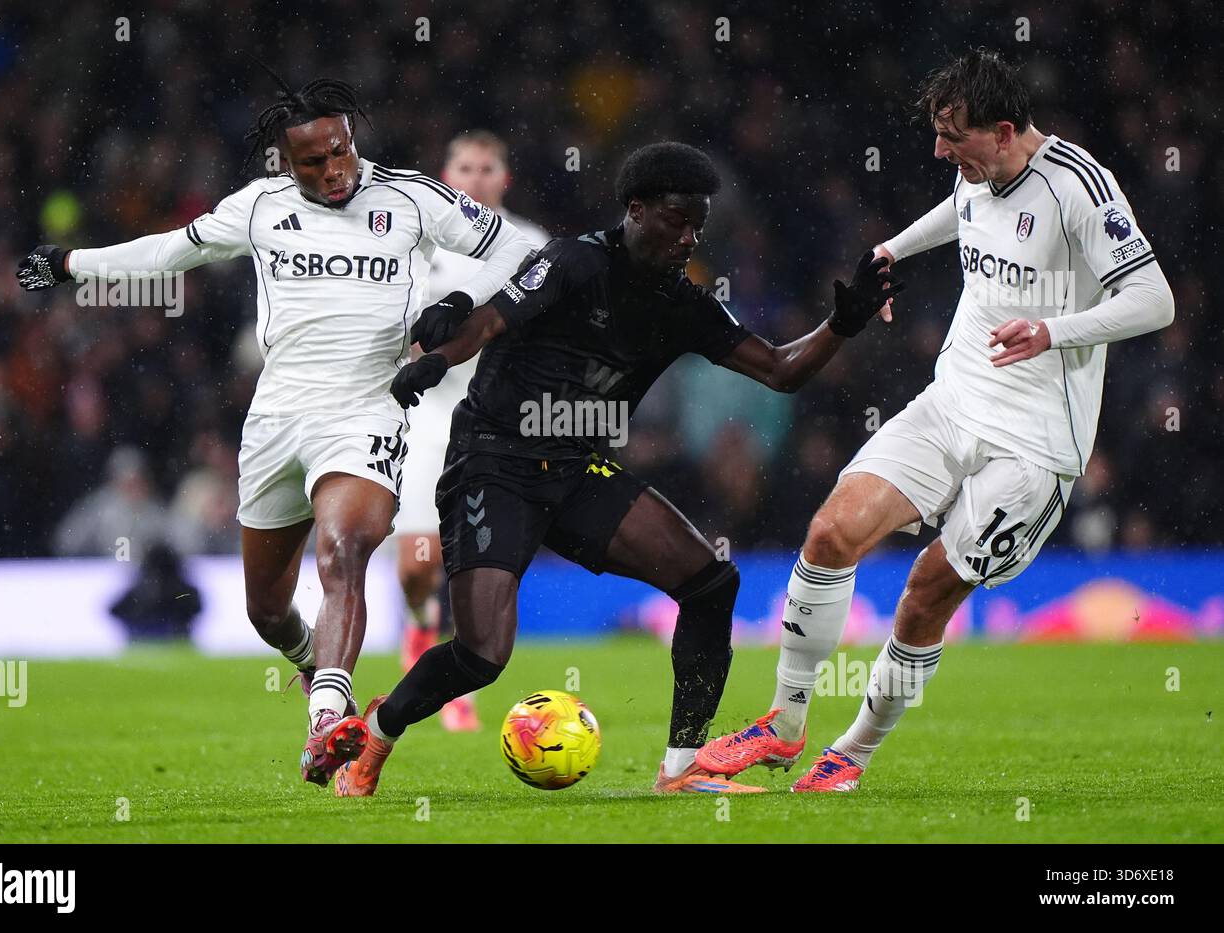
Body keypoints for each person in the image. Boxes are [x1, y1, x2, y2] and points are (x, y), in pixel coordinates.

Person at [331, 141, 902, 797]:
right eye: (676, 220)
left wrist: (843, 321)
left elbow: (779, 368)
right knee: (481, 654)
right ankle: (378, 733)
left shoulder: (683, 303)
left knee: (711, 584)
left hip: (576, 470)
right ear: (636, 209)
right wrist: (437, 361)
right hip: (493, 462)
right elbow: (492, 316)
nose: (688, 237)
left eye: (697, 226)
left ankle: (681, 770)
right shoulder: (574, 261)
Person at [15, 73, 533, 787]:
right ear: (285, 163)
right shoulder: (258, 208)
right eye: (313, 162)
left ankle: (329, 716)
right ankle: (310, 667)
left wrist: (454, 298)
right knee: (265, 607)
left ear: (352, 138)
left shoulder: (411, 197)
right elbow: (170, 253)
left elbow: (509, 248)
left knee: (346, 547)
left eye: (340, 151)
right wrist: (73, 263)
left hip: (366, 408)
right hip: (277, 418)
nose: (333, 170)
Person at [697, 49, 1175, 792]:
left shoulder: (1079, 188)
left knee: (927, 589)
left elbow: (1154, 300)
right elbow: (963, 211)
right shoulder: (976, 171)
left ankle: (850, 753)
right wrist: (891, 249)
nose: (939, 151)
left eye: (954, 138)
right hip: (952, 400)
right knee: (830, 533)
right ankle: (784, 725)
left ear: (1006, 129)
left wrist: (1054, 331)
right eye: (938, 134)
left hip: (1035, 444)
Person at [395, 130, 548, 733]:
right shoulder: (419, 241)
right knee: (415, 564)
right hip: (424, 419)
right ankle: (418, 623)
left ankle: (452, 677)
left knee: (473, 561)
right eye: (466, 167)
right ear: (446, 173)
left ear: (503, 179)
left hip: (495, 424)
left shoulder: (532, 245)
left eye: (488, 168)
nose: (477, 178)